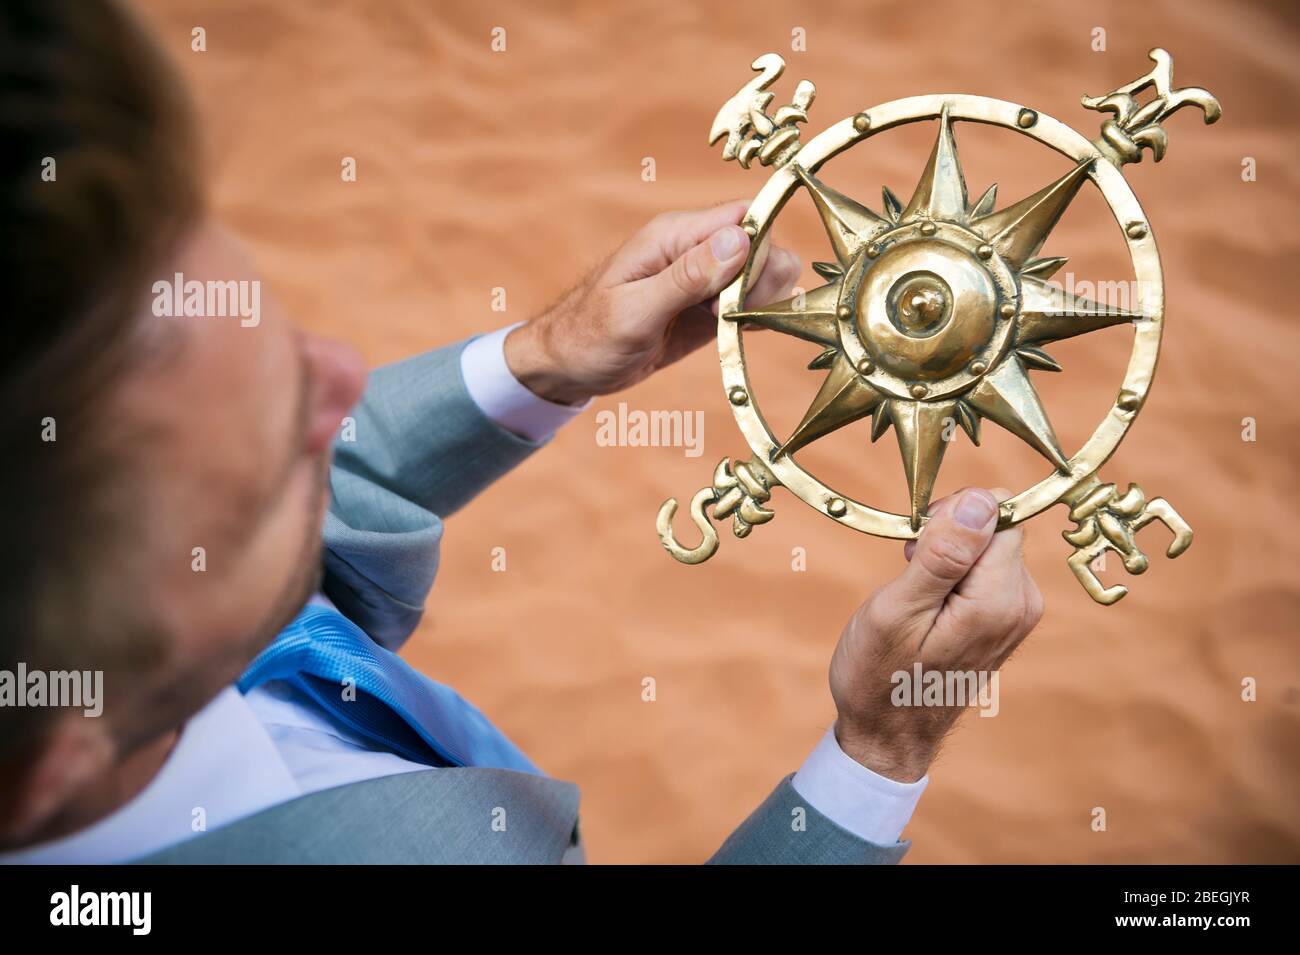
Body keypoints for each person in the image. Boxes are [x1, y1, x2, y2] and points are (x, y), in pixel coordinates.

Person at [0, 0, 1042, 864]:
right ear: (52, 765)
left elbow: (284, 557)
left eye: (279, 335)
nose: (348, 385)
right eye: (277, 463)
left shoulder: (88, 618)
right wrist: (877, 752)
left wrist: (541, 357)